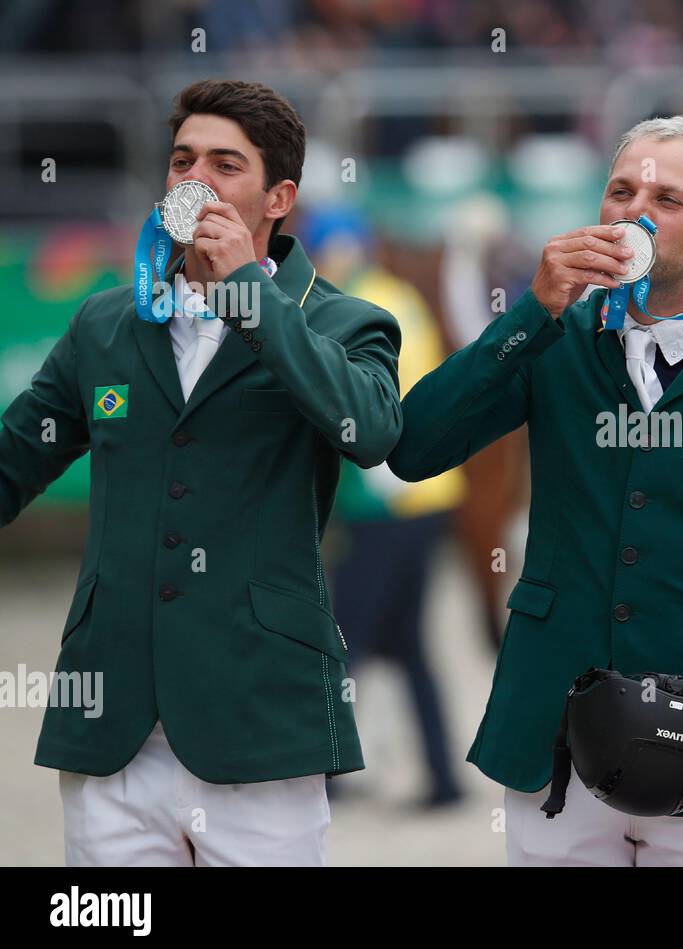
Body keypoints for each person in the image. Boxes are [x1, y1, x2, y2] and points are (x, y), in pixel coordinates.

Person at [389, 115, 683, 866]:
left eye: (667, 197)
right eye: (620, 190)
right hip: (553, 735)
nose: (635, 210)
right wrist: (531, 313)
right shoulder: (551, 339)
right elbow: (414, 448)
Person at [0, 79, 403, 865]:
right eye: (182, 160)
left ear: (277, 197)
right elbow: (11, 464)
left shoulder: (343, 320)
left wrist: (250, 296)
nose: (196, 180)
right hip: (110, 721)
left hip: (260, 720)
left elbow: (372, 431)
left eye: (225, 165)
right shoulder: (104, 324)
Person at [305, 206, 467, 808]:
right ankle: (443, 779)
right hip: (423, 498)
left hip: (385, 501)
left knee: (345, 638)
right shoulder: (394, 295)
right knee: (405, 643)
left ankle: (323, 773)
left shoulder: (352, 308)